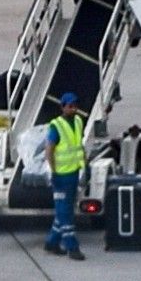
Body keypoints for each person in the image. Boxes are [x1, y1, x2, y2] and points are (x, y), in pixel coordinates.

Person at [42, 101, 89, 261]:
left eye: (75, 106)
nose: (73, 109)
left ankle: (52, 242)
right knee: (65, 212)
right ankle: (72, 246)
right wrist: (53, 171)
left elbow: (79, 145)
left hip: (73, 172)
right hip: (61, 175)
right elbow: (49, 150)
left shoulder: (78, 121)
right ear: (62, 107)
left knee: (65, 208)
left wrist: (85, 164)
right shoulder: (56, 126)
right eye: (69, 106)